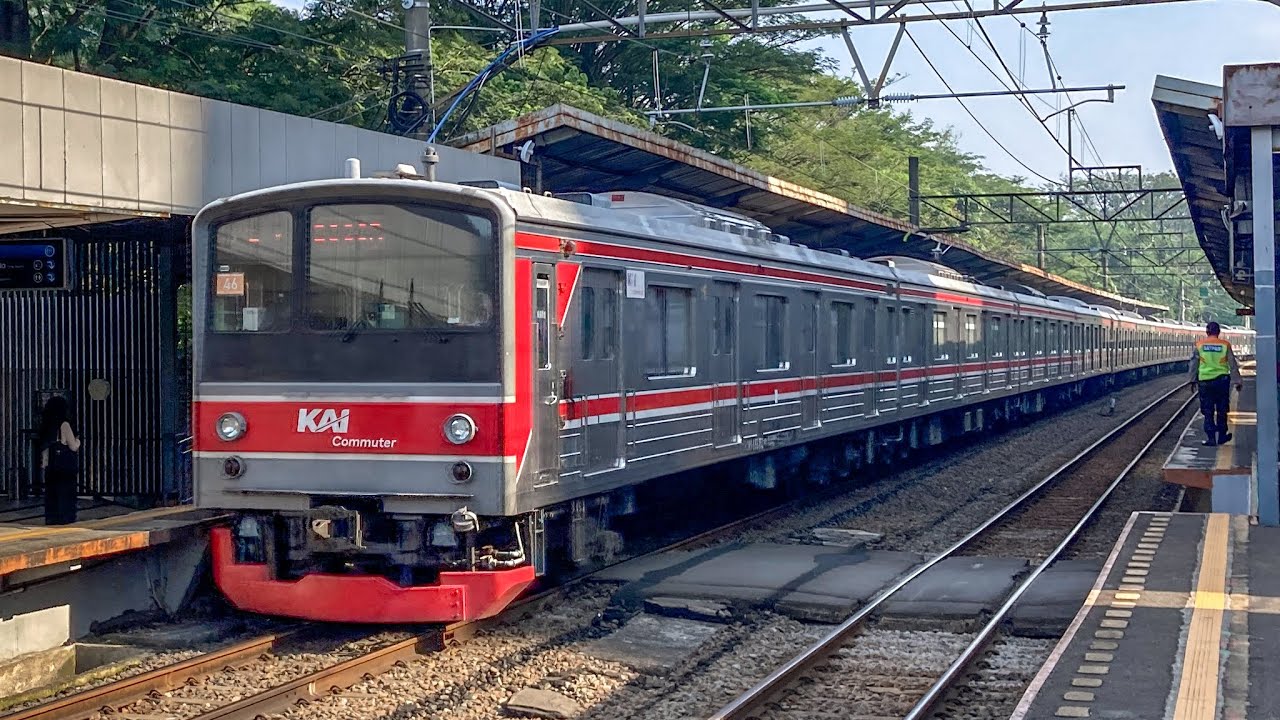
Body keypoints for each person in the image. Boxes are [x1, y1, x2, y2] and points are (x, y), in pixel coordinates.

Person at [1188, 321, 1243, 447]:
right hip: (1222, 381)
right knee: (1222, 409)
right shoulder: (1225, 345)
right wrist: (1237, 381)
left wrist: (1192, 381)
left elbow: (1193, 364)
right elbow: (1232, 365)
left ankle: (1211, 438)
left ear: (1207, 332)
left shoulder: (1200, 345)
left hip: (1205, 382)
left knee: (1208, 410)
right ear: (1218, 332)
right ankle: (1222, 436)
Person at [37, 396, 81, 525]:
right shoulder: (64, 424)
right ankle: (65, 517)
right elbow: (73, 446)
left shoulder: (47, 425)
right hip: (65, 468)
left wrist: (44, 464)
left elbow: (44, 448)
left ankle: (52, 518)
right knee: (66, 494)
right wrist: (78, 441)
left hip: (51, 467)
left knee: (52, 494)